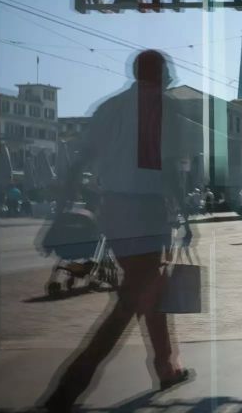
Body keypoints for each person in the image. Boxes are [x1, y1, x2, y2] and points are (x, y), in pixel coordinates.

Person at [42, 50, 191, 410]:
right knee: (132, 297)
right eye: (167, 71)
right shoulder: (164, 109)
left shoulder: (109, 108)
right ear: (161, 74)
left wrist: (61, 209)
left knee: (148, 288)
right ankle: (71, 384)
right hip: (147, 208)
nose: (170, 76)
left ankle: (166, 366)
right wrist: (184, 213)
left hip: (114, 208)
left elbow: (79, 161)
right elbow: (169, 167)